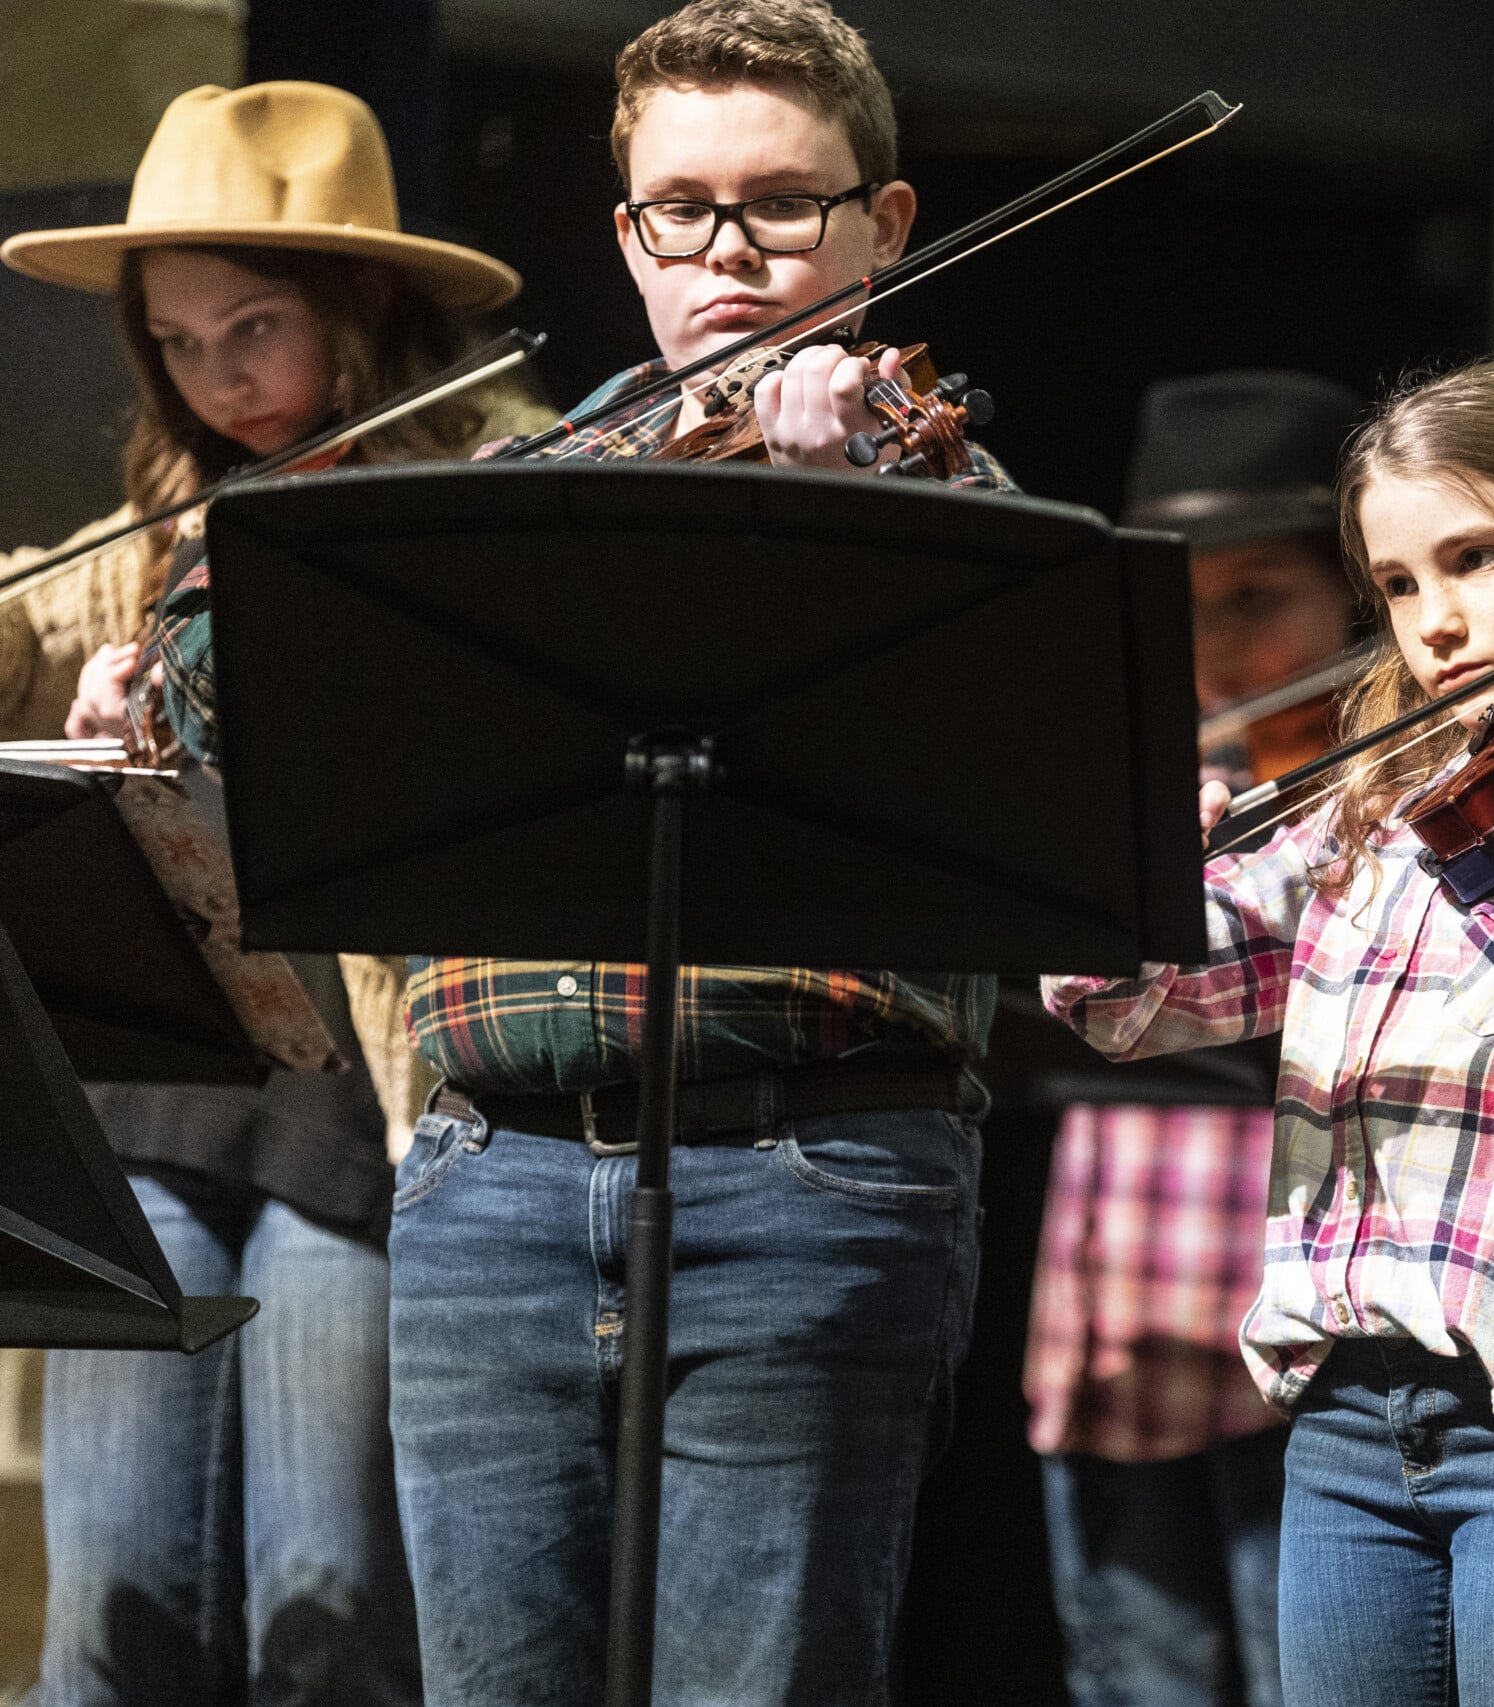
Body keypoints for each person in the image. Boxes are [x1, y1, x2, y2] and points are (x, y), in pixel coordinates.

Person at [143, 7, 1009, 1702]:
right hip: (494, 1183)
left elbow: (1006, 726)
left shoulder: (938, 468)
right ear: (627, 234)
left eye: (782, 204)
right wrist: (266, 574)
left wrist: (862, 503)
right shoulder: (520, 470)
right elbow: (213, 686)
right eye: (680, 207)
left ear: (883, 228)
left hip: (811, 1177)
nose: (731, 253)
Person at [1047, 358, 1494, 1707]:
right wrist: (1140, 866)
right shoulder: (1366, 825)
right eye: (1397, 583)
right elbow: (1127, 1004)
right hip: (1340, 1426)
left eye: (1476, 559)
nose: (1434, 619)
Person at [0, 78, 536, 1705]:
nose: (219, 375)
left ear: (360, 317)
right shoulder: (156, 530)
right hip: (157, 1109)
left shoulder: (484, 490)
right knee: (107, 1624)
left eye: (256, 326)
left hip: (354, 1130)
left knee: (327, 1611)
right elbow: (19, 630)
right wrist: (82, 706)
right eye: (178, 338)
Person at [1024, 370, 1363, 1707]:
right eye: (1181, 609)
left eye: (1258, 600)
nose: (1216, 655)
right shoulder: (1114, 772)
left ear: (1355, 599)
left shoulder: (1389, 801)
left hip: (1313, 1338)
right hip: (1127, 1304)